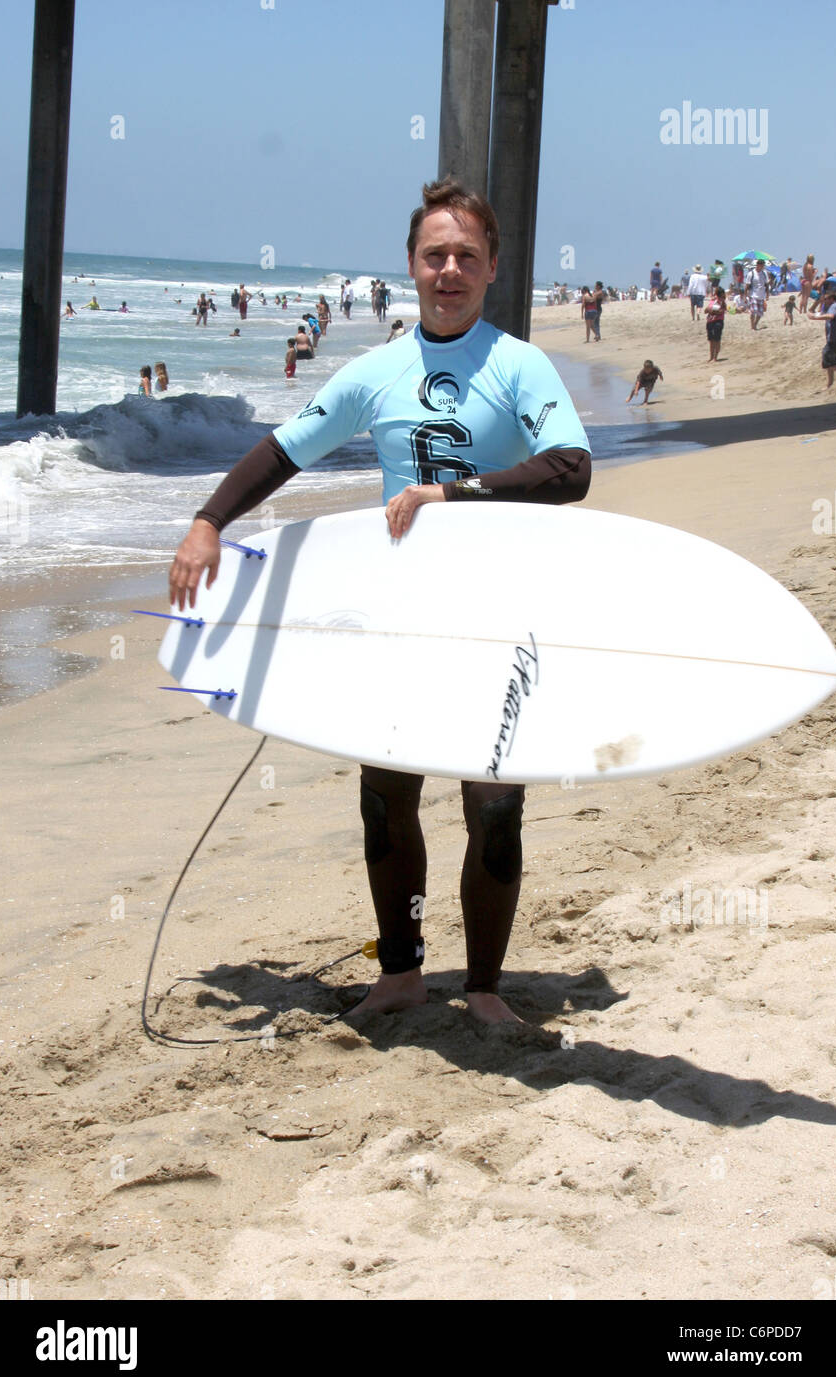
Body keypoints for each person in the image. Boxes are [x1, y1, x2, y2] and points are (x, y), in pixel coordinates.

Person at [168, 177, 591, 1027]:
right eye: (435, 254)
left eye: (466, 256)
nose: (449, 270)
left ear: (492, 268)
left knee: (494, 806)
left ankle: (483, 990)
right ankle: (400, 974)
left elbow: (570, 470)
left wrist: (454, 493)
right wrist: (209, 520)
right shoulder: (377, 371)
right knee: (386, 796)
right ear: (410, 265)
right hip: (404, 620)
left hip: (503, 619)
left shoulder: (518, 364)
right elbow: (286, 450)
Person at [807, 286, 836, 387]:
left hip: (835, 339)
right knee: (831, 362)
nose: (824, 300)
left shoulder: (834, 306)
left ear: (831, 299)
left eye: (826, 299)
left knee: (828, 361)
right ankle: (830, 384)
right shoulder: (835, 306)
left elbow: (830, 316)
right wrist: (818, 302)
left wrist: (815, 318)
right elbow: (814, 312)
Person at [746, 259, 769, 330]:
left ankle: (755, 324)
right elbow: (747, 285)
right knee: (753, 311)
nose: (762, 267)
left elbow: (766, 284)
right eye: (761, 266)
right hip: (753, 294)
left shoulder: (764, 273)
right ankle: (752, 325)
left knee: (760, 313)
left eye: (763, 266)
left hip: (761, 295)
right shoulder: (751, 273)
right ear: (758, 265)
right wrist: (745, 295)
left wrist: (767, 294)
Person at [705, 286, 726, 361]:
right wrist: (710, 310)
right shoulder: (713, 301)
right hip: (710, 321)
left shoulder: (722, 302)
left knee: (716, 340)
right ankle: (712, 357)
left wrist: (712, 311)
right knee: (712, 340)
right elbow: (706, 310)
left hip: (717, 321)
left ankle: (715, 357)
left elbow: (721, 311)